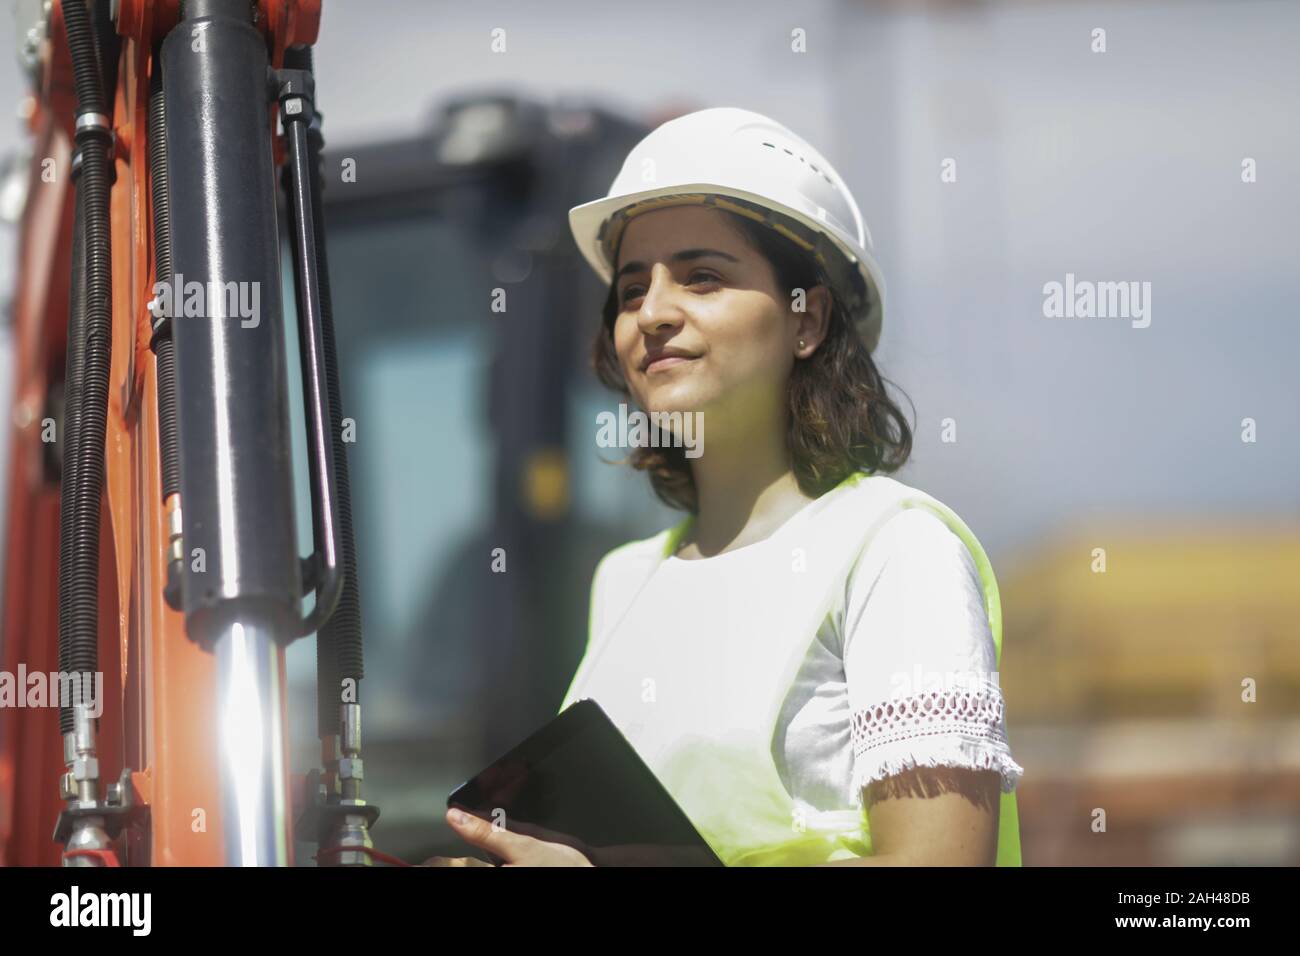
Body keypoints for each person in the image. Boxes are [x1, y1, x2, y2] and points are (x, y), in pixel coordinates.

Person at [433, 106, 1024, 867]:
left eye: (703, 277)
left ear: (806, 323)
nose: (653, 313)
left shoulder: (895, 552)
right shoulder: (624, 582)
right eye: (631, 288)